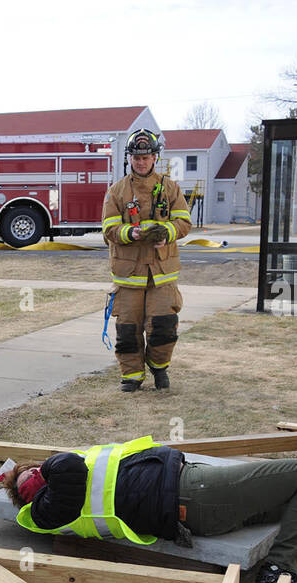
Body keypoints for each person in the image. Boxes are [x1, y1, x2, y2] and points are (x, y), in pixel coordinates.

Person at [0, 438, 297, 583]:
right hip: (197, 493)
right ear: (25, 499)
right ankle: (280, 566)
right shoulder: (46, 507)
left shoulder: (54, 499)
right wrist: (38, 467)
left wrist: (25, 473)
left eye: (33, 473)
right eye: (28, 481)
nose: (34, 478)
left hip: (197, 501)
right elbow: (70, 467)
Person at [101, 129, 193, 392]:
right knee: (128, 330)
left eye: (146, 157)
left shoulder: (170, 188)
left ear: (155, 158)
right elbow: (108, 229)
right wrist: (131, 233)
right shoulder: (116, 192)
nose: (140, 162)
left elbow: (184, 222)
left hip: (161, 274)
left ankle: (159, 369)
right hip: (129, 276)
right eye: (136, 157)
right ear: (129, 158)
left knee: (164, 327)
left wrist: (167, 233)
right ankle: (131, 376)